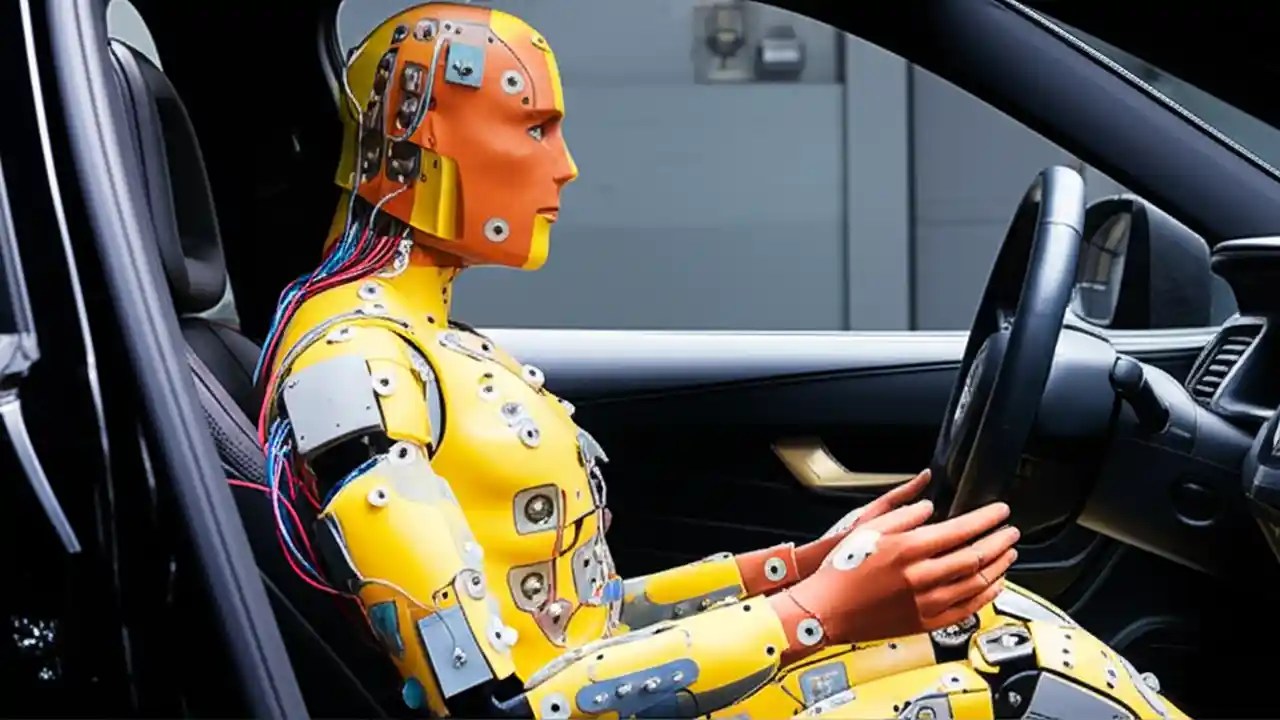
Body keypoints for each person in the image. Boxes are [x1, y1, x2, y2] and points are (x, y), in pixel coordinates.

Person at [253, 4, 1187, 718]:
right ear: (430, 143)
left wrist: (797, 571)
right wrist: (818, 613)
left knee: (997, 624)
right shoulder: (356, 369)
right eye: (534, 127)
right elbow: (498, 703)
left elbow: (589, 622)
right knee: (1017, 675)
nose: (566, 165)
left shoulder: (417, 344)